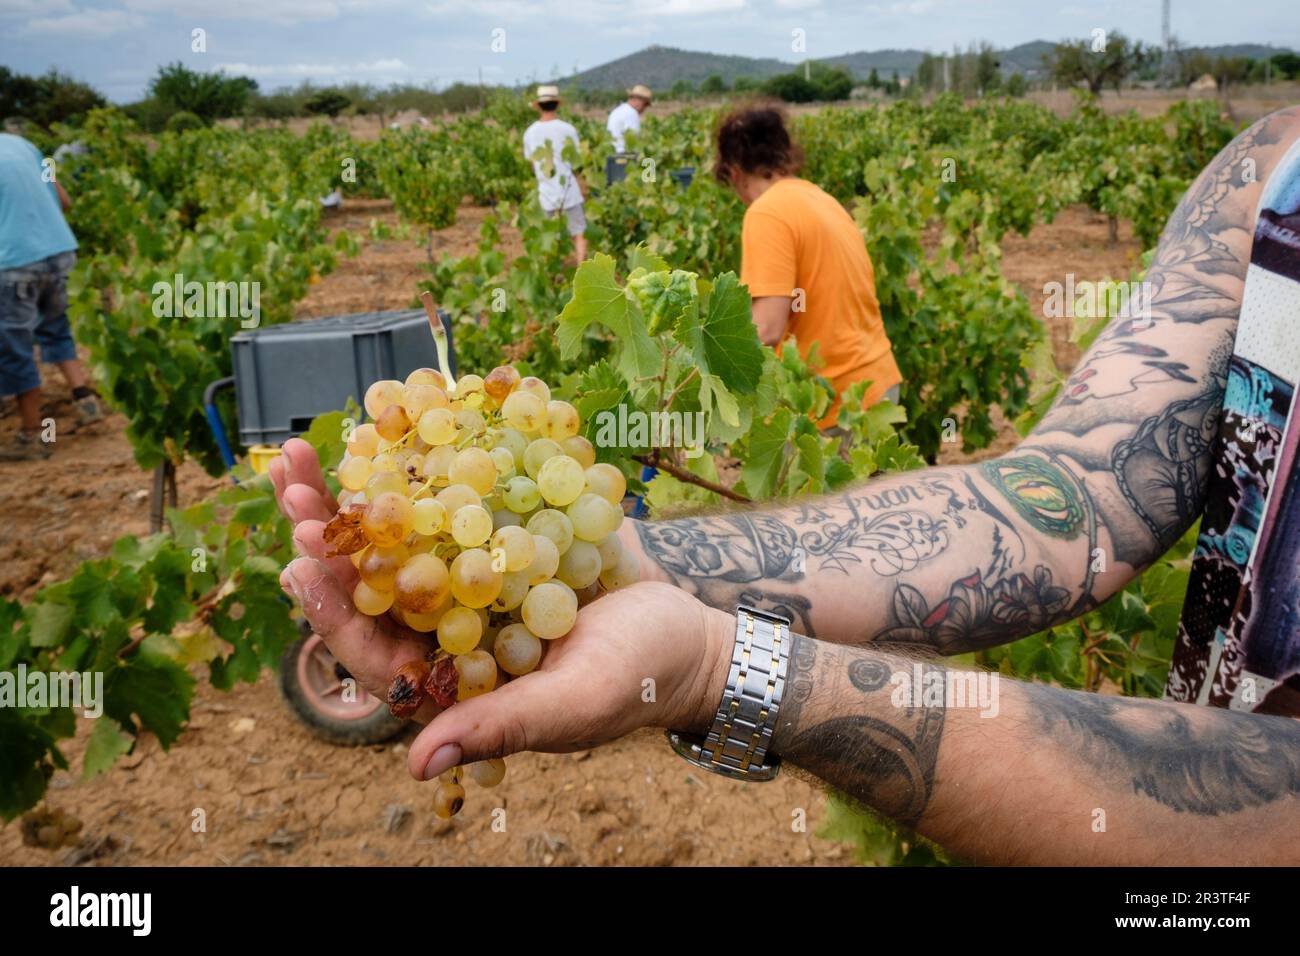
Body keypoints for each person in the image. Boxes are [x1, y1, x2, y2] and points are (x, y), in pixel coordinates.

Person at [273, 106, 1300, 865]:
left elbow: (760, 335)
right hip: (865, 394)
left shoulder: (768, 220)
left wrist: (706, 447)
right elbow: (1075, 495)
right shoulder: (1271, 168)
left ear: (731, 168)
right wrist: (619, 562)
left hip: (826, 405)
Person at [716, 105, 901, 425]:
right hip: (878, 387)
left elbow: (767, 328)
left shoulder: (766, 213)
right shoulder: (820, 199)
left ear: (733, 172)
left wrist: (707, 362)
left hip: (833, 404)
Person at [0, 131, 103, 460]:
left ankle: (34, 434)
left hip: (15, 261)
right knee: (54, 324)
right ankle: (84, 398)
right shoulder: (26, 146)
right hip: (59, 249)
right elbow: (64, 201)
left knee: (13, 345)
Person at [522, 84, 587, 262]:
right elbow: (577, 159)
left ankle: (551, 274)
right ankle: (581, 271)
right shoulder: (568, 129)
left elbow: (532, 161)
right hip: (569, 188)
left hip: (546, 192)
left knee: (546, 236)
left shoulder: (530, 133)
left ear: (538, 106)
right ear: (557, 104)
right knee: (578, 233)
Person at [606, 84, 652, 153]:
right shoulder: (632, 113)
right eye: (645, 104)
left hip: (612, 153)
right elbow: (634, 142)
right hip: (623, 156)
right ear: (638, 100)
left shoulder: (619, 110)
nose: (644, 108)